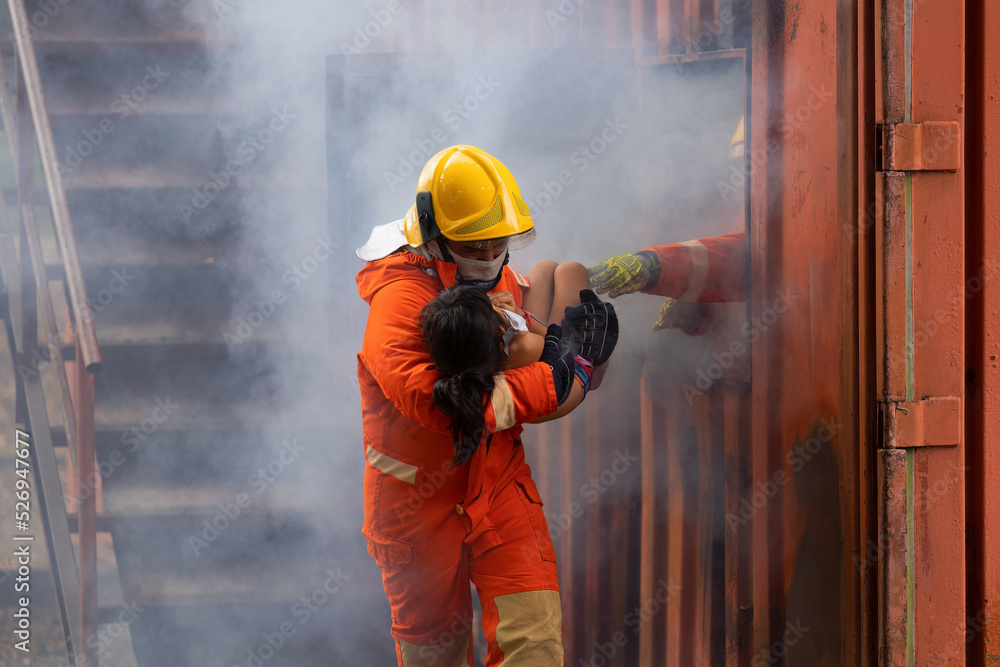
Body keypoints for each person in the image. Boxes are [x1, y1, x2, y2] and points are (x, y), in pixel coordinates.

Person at [356, 145, 617, 666]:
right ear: (436, 233)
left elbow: (532, 339)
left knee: (535, 646)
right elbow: (444, 408)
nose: (491, 254)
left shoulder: (491, 275)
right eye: (477, 244)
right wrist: (565, 375)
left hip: (497, 485)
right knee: (436, 656)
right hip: (416, 507)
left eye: (499, 242)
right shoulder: (398, 301)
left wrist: (577, 356)